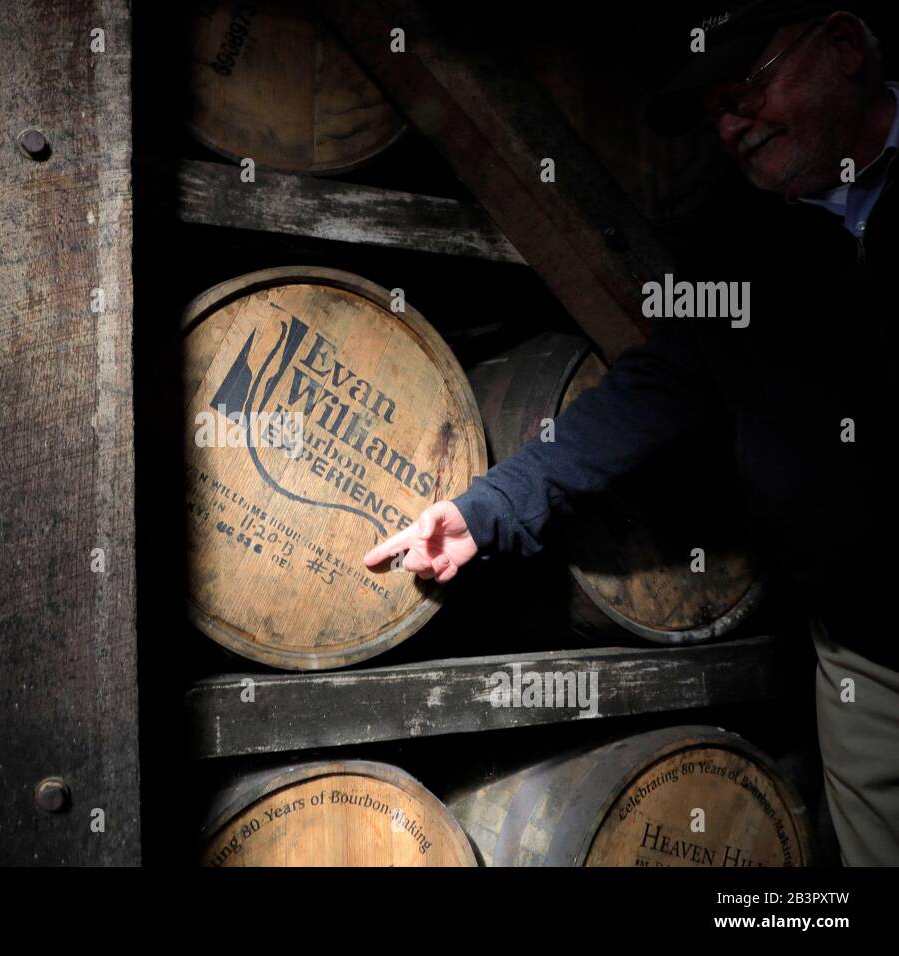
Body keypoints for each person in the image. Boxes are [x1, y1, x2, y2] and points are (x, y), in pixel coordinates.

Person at [363, 0, 899, 866]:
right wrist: (490, 508)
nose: (731, 123)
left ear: (842, 44)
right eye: (715, 106)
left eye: (747, 86)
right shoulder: (741, 236)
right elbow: (662, 382)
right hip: (866, 654)